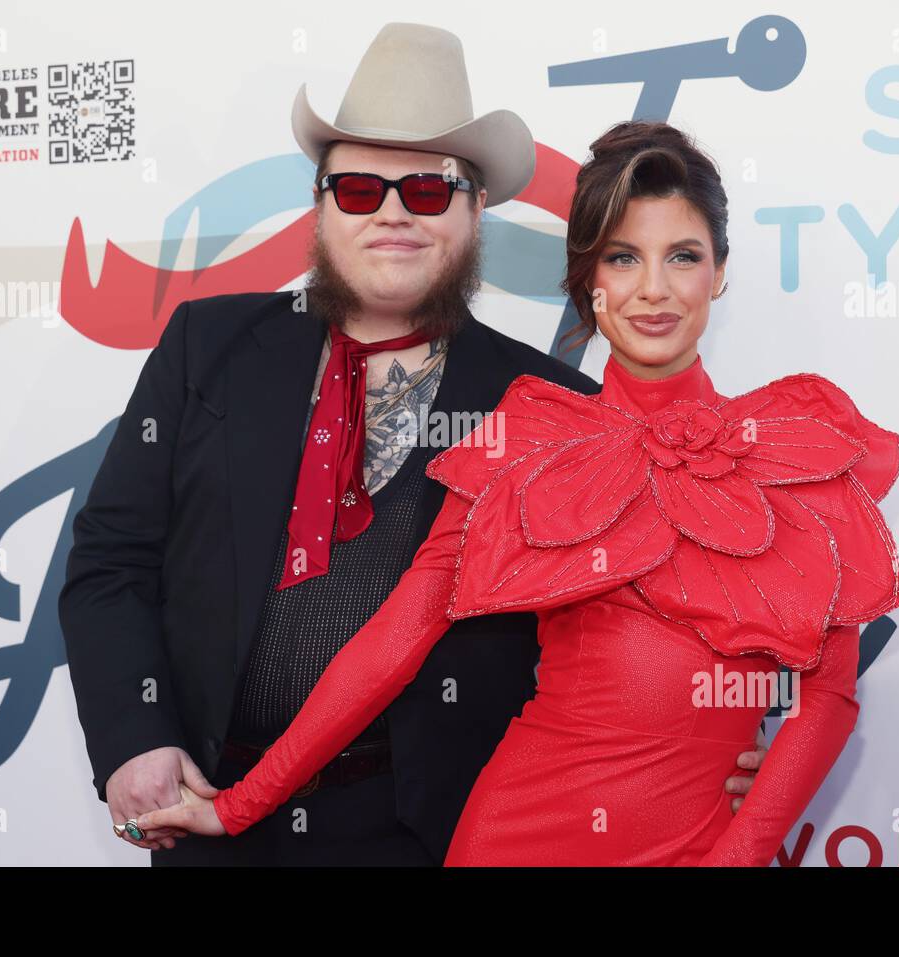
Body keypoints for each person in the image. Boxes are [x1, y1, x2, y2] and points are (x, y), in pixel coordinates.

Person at [59, 26, 769, 866]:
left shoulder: (551, 408)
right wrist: (132, 736)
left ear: (476, 213)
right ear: (320, 206)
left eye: (430, 190)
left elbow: (645, 628)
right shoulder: (204, 346)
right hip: (211, 816)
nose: (393, 212)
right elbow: (110, 558)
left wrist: (727, 731)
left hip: (432, 834)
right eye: (359, 188)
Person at [137, 118, 899, 866]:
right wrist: (240, 802)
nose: (655, 290)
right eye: (622, 259)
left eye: (683, 255)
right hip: (517, 834)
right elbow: (391, 642)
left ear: (720, 271)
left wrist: (738, 855)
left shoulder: (792, 446)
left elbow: (826, 699)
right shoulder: (529, 437)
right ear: (588, 280)